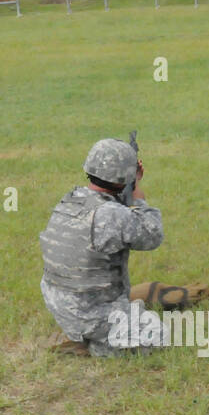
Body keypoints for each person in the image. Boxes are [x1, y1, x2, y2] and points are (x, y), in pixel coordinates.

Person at [39, 138, 164, 357]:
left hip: (59, 303)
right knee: (158, 334)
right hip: (91, 312)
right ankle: (96, 345)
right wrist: (138, 200)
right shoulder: (112, 213)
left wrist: (127, 183)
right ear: (124, 177)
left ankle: (85, 335)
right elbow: (151, 236)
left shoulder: (70, 199)